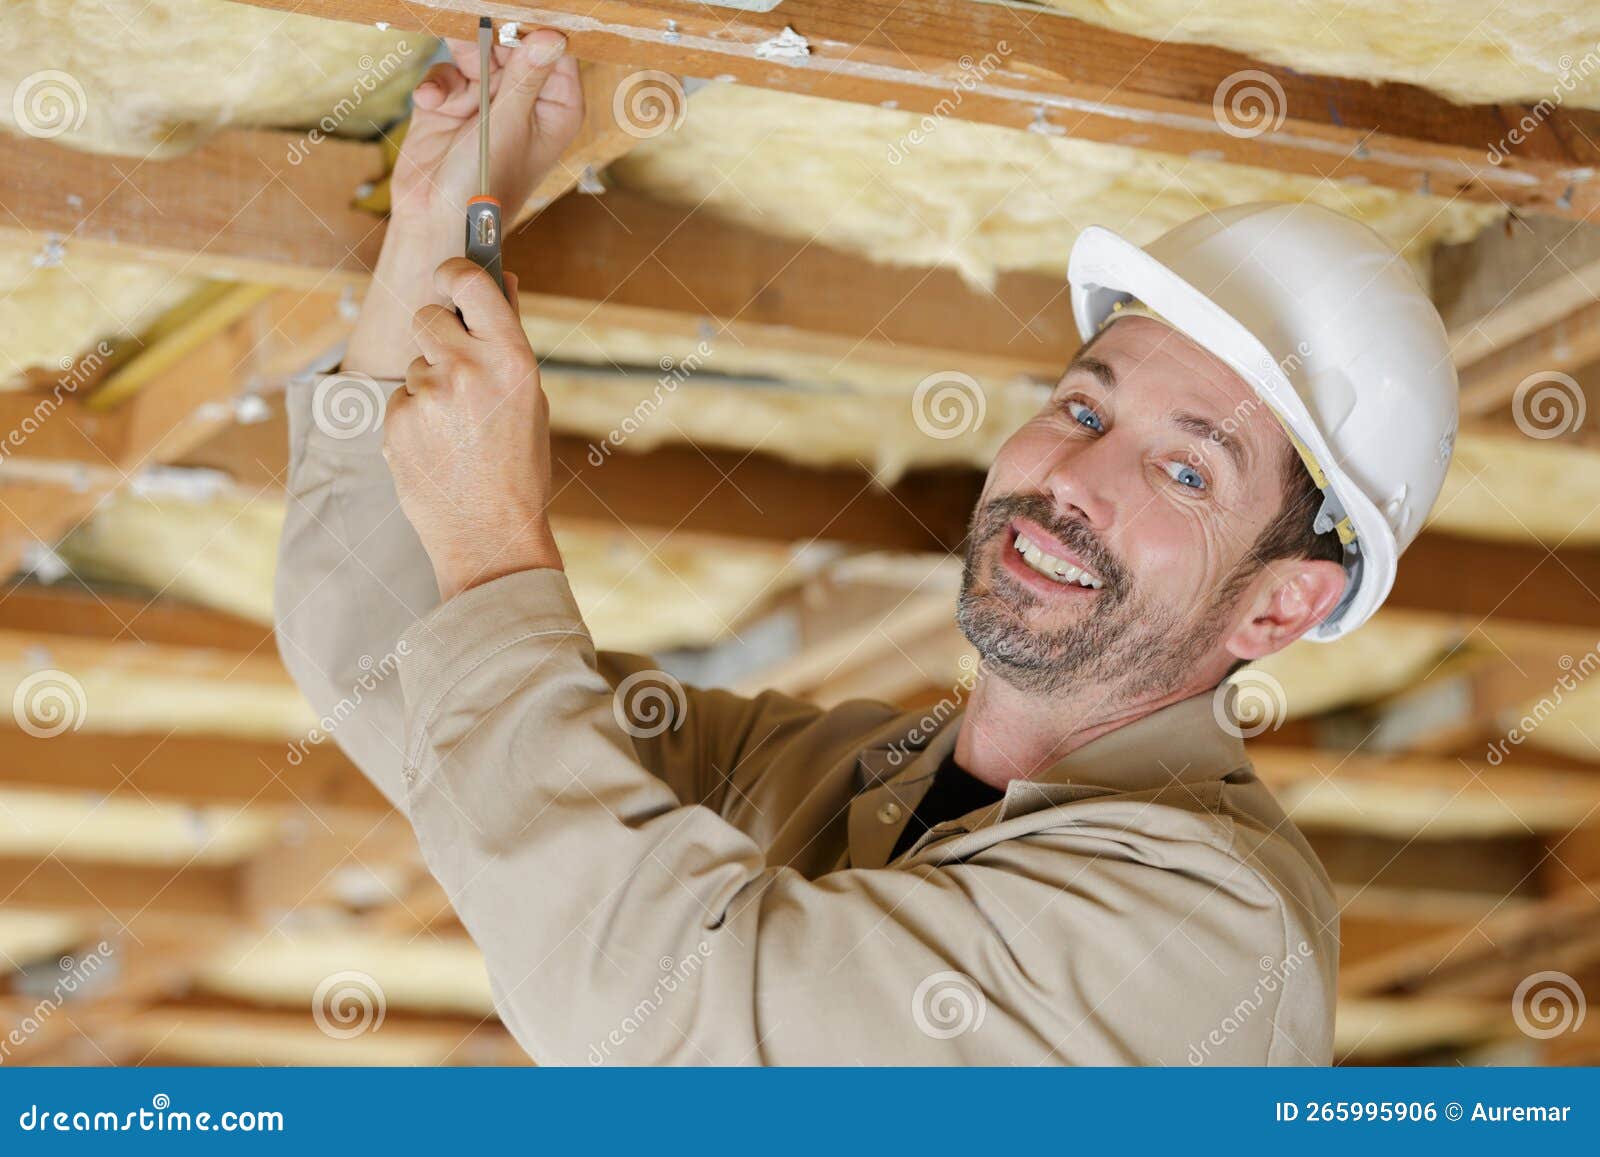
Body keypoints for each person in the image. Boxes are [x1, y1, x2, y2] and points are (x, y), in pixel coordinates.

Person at [275, 30, 1459, 1065]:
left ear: (1276, 606)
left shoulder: (1203, 927)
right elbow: (392, 658)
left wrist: (495, 534)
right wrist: (435, 235)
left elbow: (657, 1029)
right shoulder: (828, 776)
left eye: (1185, 471)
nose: (1070, 479)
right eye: (1084, 408)